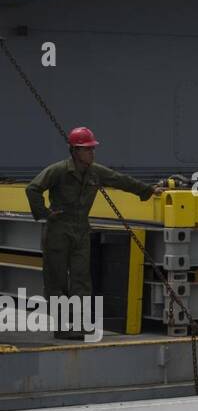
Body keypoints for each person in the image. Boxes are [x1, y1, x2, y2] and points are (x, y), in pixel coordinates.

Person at [25, 127, 162, 339]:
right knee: (57, 280)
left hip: (81, 230)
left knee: (81, 280)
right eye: (87, 149)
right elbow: (33, 188)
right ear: (75, 151)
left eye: (92, 149)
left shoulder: (95, 172)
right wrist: (43, 213)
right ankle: (62, 327)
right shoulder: (59, 170)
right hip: (58, 231)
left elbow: (120, 180)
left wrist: (148, 190)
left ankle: (80, 324)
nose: (92, 153)